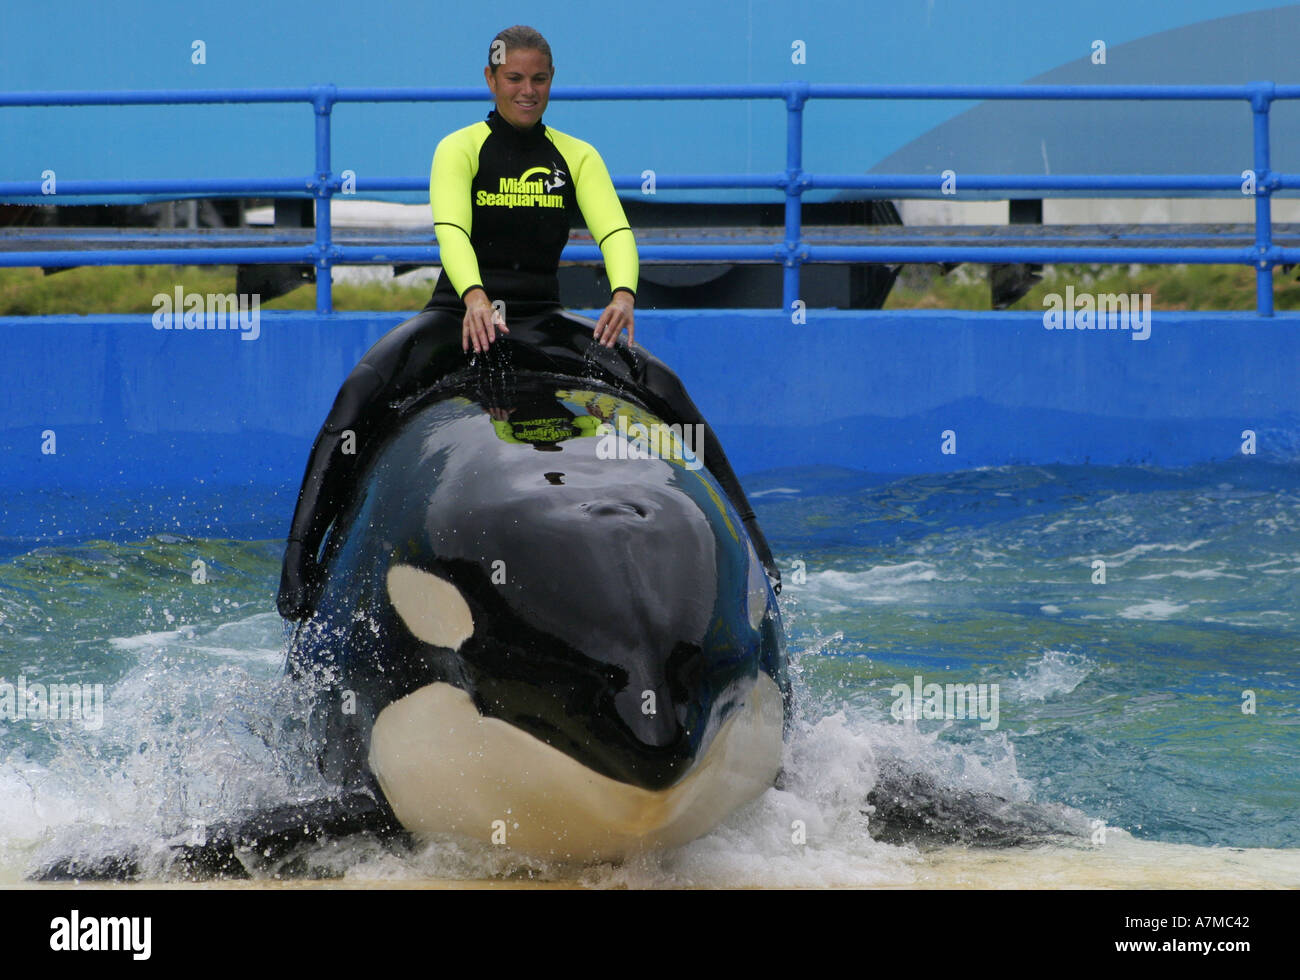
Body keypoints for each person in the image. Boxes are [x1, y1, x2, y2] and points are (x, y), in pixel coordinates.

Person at [276, 25, 779, 619]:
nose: (526, 90)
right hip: (458, 320)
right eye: (514, 78)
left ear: (551, 81)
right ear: (491, 80)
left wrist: (622, 291)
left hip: (539, 321)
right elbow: (452, 231)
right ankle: (299, 560)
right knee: (361, 390)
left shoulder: (575, 156)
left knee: (664, 387)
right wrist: (474, 296)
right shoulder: (460, 148)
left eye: (538, 79)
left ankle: (756, 549)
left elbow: (614, 229)